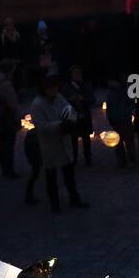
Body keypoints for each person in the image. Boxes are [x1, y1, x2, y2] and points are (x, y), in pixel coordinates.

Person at [29, 71, 88, 211]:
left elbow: (68, 110)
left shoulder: (58, 97)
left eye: (56, 87)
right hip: (49, 144)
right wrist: (60, 125)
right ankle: (54, 203)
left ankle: (74, 198)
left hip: (63, 140)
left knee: (69, 173)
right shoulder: (37, 104)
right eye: (52, 88)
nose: (55, 90)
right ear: (45, 89)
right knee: (51, 175)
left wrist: (74, 120)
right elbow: (41, 126)